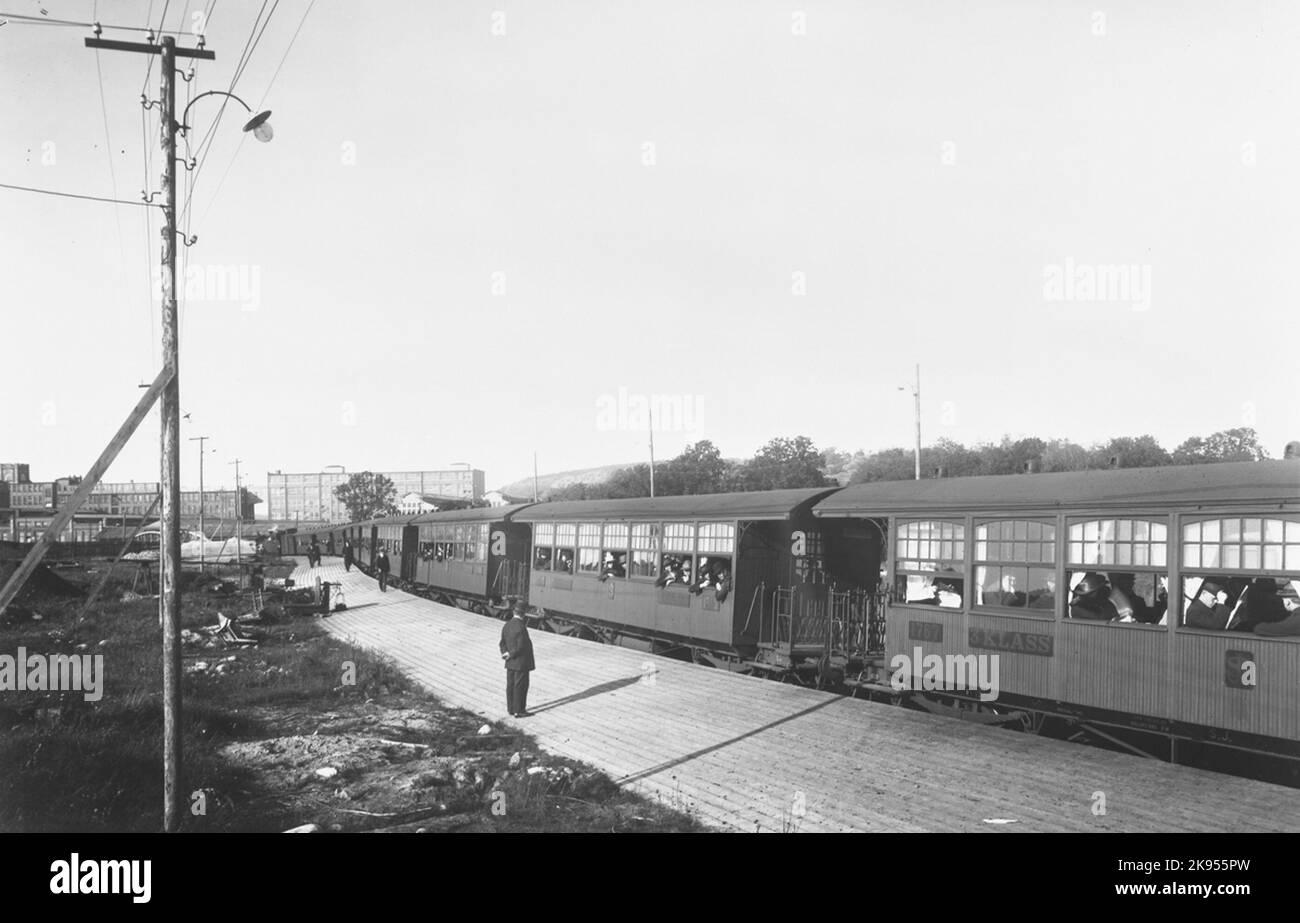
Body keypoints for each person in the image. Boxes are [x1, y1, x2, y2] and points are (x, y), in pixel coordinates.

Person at [499, 600, 535, 717]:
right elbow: (521, 647)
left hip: (510, 663)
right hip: (521, 663)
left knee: (510, 685)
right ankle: (519, 711)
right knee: (521, 686)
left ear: (514, 612)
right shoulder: (521, 627)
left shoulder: (507, 625)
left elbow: (502, 643)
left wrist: (505, 653)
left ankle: (511, 708)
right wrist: (512, 654)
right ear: (523, 614)